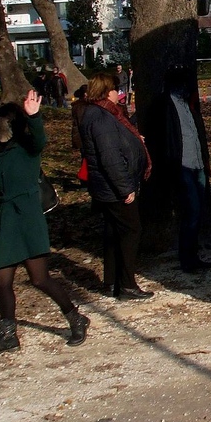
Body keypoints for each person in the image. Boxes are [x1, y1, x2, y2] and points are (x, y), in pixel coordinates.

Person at [0, 89, 89, 353]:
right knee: (0, 279)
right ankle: (8, 335)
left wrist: (34, 116)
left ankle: (75, 317)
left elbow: (39, 138)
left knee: (40, 279)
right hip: (8, 221)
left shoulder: (28, 148)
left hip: (28, 220)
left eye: (0, 123)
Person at [78, 70, 154, 300]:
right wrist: (125, 189)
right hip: (114, 187)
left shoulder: (103, 113)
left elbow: (116, 143)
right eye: (115, 89)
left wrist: (134, 141)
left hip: (109, 185)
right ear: (106, 91)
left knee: (113, 232)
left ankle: (111, 281)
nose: (118, 93)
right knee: (131, 230)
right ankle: (127, 284)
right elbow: (109, 156)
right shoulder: (100, 117)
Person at [146, 64, 211, 273]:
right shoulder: (165, 105)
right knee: (191, 210)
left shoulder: (188, 104)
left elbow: (197, 134)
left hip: (197, 162)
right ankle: (187, 259)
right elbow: (161, 137)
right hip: (181, 164)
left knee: (198, 210)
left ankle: (193, 255)